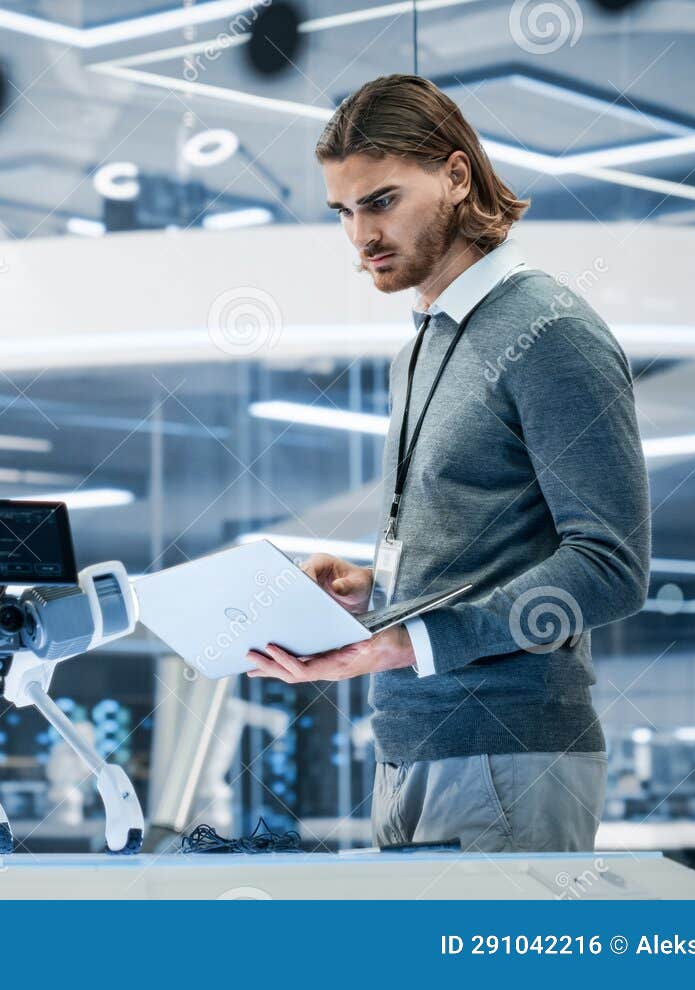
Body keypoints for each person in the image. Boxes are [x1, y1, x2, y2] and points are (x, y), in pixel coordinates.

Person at [245, 75, 651, 854]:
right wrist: (383, 594)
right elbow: (481, 551)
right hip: (409, 743)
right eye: (345, 211)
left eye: (383, 201)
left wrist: (410, 641)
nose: (361, 234)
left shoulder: (552, 332)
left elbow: (610, 565)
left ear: (457, 177)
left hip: (506, 751)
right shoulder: (423, 346)